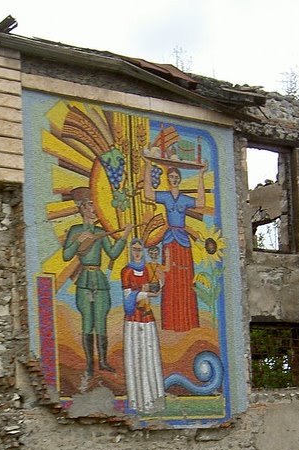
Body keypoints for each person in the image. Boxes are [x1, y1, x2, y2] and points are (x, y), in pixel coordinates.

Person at [62, 187, 131, 375]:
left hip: (99, 280)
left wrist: (124, 236)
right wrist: (78, 241)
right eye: (91, 205)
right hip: (84, 280)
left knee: (100, 320)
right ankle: (90, 366)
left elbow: (113, 253)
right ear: (82, 207)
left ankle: (103, 362)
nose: (94, 209)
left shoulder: (101, 232)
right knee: (87, 321)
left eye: (95, 205)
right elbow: (66, 255)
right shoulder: (76, 230)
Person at [143, 163, 204, 331]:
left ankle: (187, 321)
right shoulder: (166, 196)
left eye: (177, 177)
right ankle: (171, 322)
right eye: (171, 177)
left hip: (183, 240)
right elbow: (148, 194)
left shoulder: (184, 199)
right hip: (170, 238)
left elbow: (200, 201)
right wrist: (147, 167)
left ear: (180, 179)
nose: (174, 179)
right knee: (170, 278)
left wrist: (200, 176)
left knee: (185, 279)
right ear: (168, 180)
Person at [121, 238, 165, 414]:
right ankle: (138, 401)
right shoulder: (126, 271)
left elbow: (156, 289)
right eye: (135, 249)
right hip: (133, 319)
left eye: (140, 249)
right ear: (131, 250)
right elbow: (127, 297)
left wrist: (159, 286)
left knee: (150, 357)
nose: (138, 252)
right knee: (136, 358)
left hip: (147, 317)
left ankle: (154, 398)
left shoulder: (148, 270)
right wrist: (145, 293)